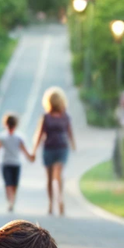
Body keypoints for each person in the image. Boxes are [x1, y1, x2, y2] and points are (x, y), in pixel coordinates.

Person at [30, 87, 76, 216]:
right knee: (50, 177)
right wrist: (34, 150)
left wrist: (73, 144)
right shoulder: (46, 117)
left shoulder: (65, 116)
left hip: (61, 148)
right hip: (49, 149)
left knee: (58, 174)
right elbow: (39, 134)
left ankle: (60, 199)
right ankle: (51, 202)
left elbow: (69, 131)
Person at [0, 113, 33, 213]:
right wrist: (30, 157)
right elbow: (24, 150)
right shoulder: (13, 137)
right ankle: (11, 201)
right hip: (12, 163)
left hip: (9, 163)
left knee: (11, 184)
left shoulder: (6, 137)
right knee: (10, 184)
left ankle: (11, 200)